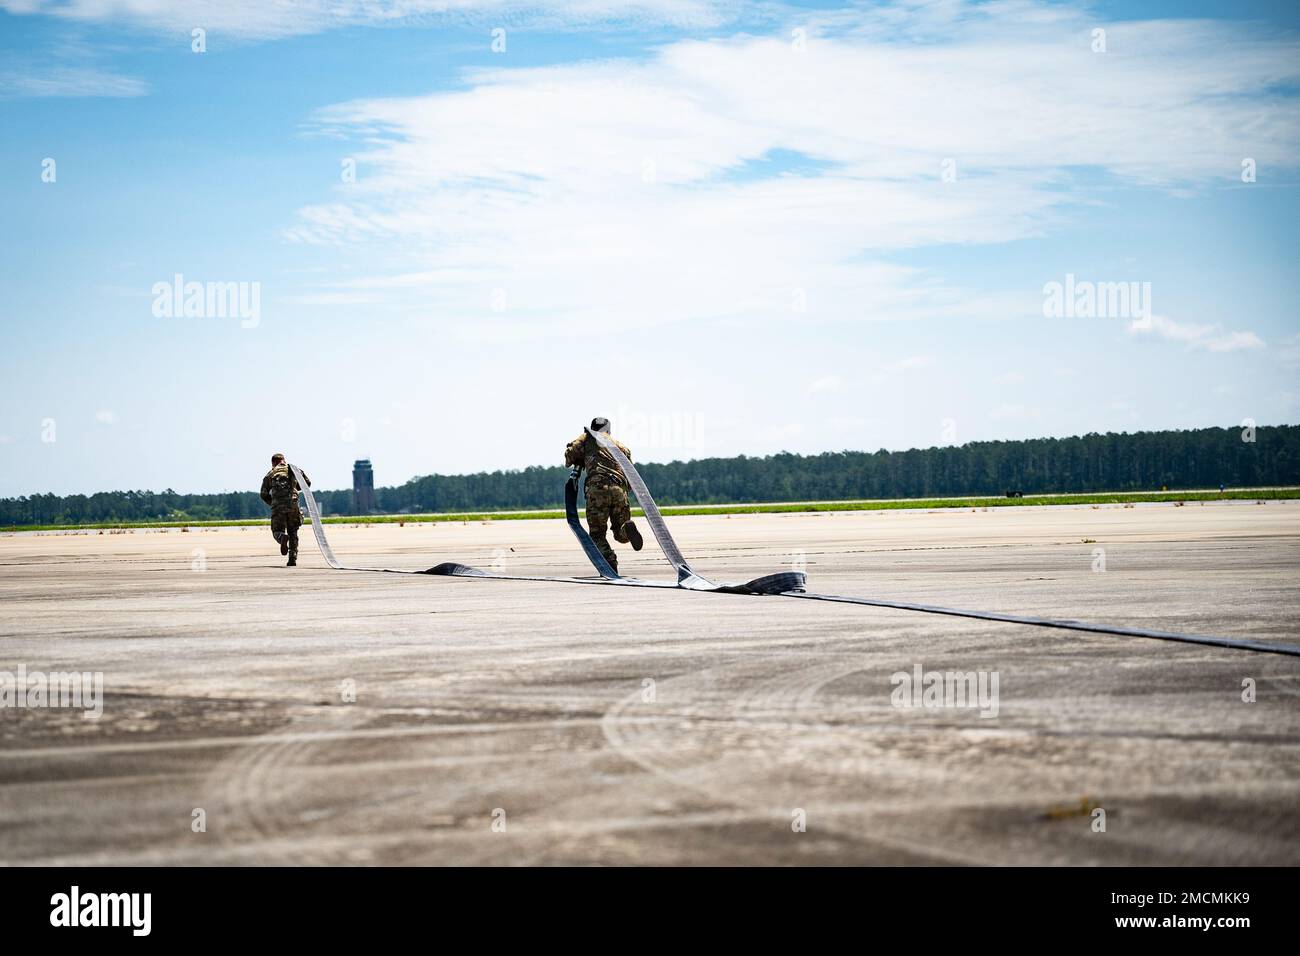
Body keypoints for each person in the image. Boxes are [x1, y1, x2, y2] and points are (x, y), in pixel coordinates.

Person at [564, 418, 643, 574]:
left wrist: (583, 437)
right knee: (620, 534)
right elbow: (631, 474)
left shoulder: (586, 440)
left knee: (597, 534)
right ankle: (626, 530)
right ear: (609, 430)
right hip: (619, 489)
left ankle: (609, 563)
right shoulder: (619, 446)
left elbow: (569, 457)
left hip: (597, 490)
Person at [259, 453, 311, 567]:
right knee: (293, 531)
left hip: (277, 506)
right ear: (284, 460)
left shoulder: (271, 473)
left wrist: (273, 503)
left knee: (277, 530)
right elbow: (307, 483)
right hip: (293, 504)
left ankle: (282, 537)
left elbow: (263, 494)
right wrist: (295, 487)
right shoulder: (294, 470)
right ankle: (292, 558)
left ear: (273, 463)